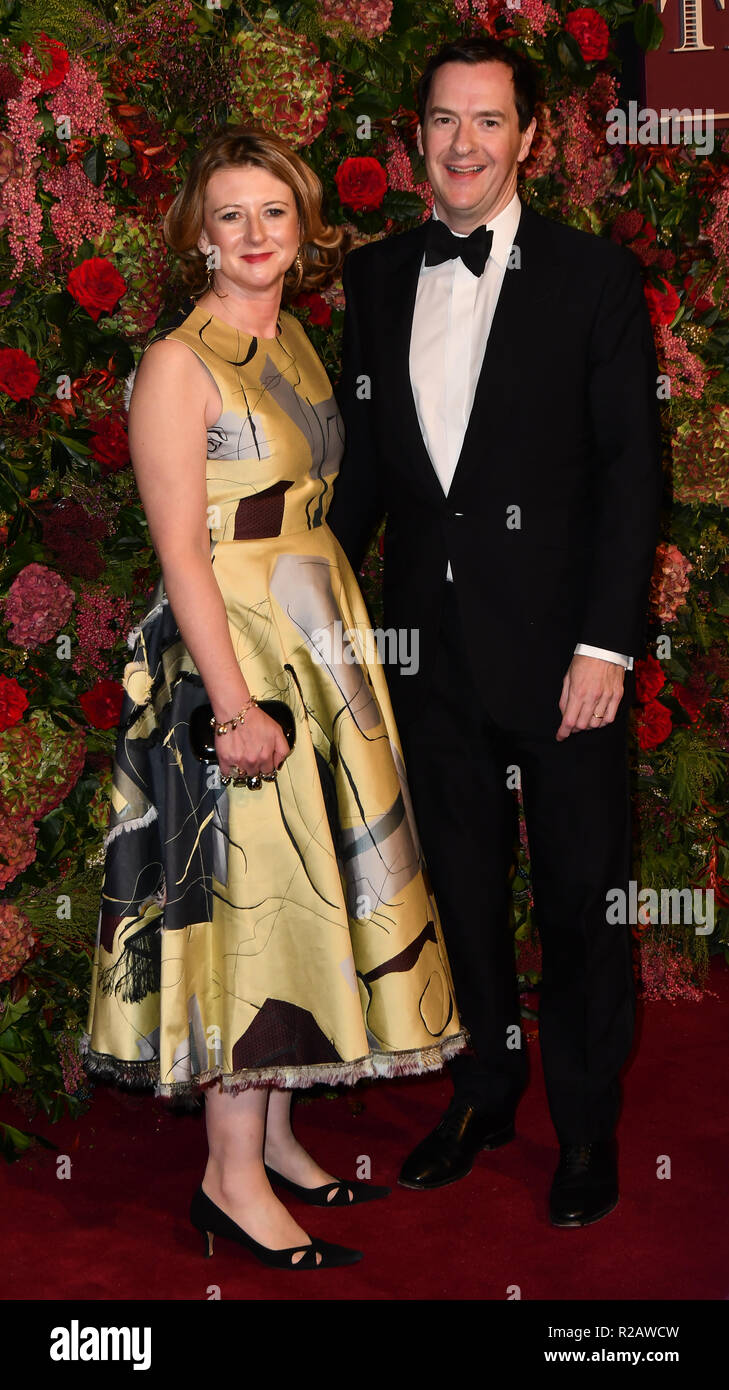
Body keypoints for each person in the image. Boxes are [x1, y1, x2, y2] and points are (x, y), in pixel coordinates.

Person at [80, 125, 467, 1271]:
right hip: (234, 650)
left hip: (317, 630)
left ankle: (283, 1137)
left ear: (304, 229)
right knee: (248, 895)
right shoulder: (177, 363)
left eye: (273, 215)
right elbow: (183, 555)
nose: (253, 236)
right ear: (198, 235)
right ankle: (228, 1177)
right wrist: (235, 704)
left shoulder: (295, 336)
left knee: (307, 888)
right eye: (229, 217)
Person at [327, 37, 663, 1227]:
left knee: (580, 898)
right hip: (429, 657)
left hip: (566, 661)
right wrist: (295, 602)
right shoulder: (373, 280)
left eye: (488, 122)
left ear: (530, 138)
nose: (463, 145)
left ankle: (583, 1126)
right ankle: (485, 1085)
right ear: (415, 136)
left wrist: (606, 648)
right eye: (442, 121)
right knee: (461, 894)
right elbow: (365, 479)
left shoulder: (593, 280)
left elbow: (632, 477)